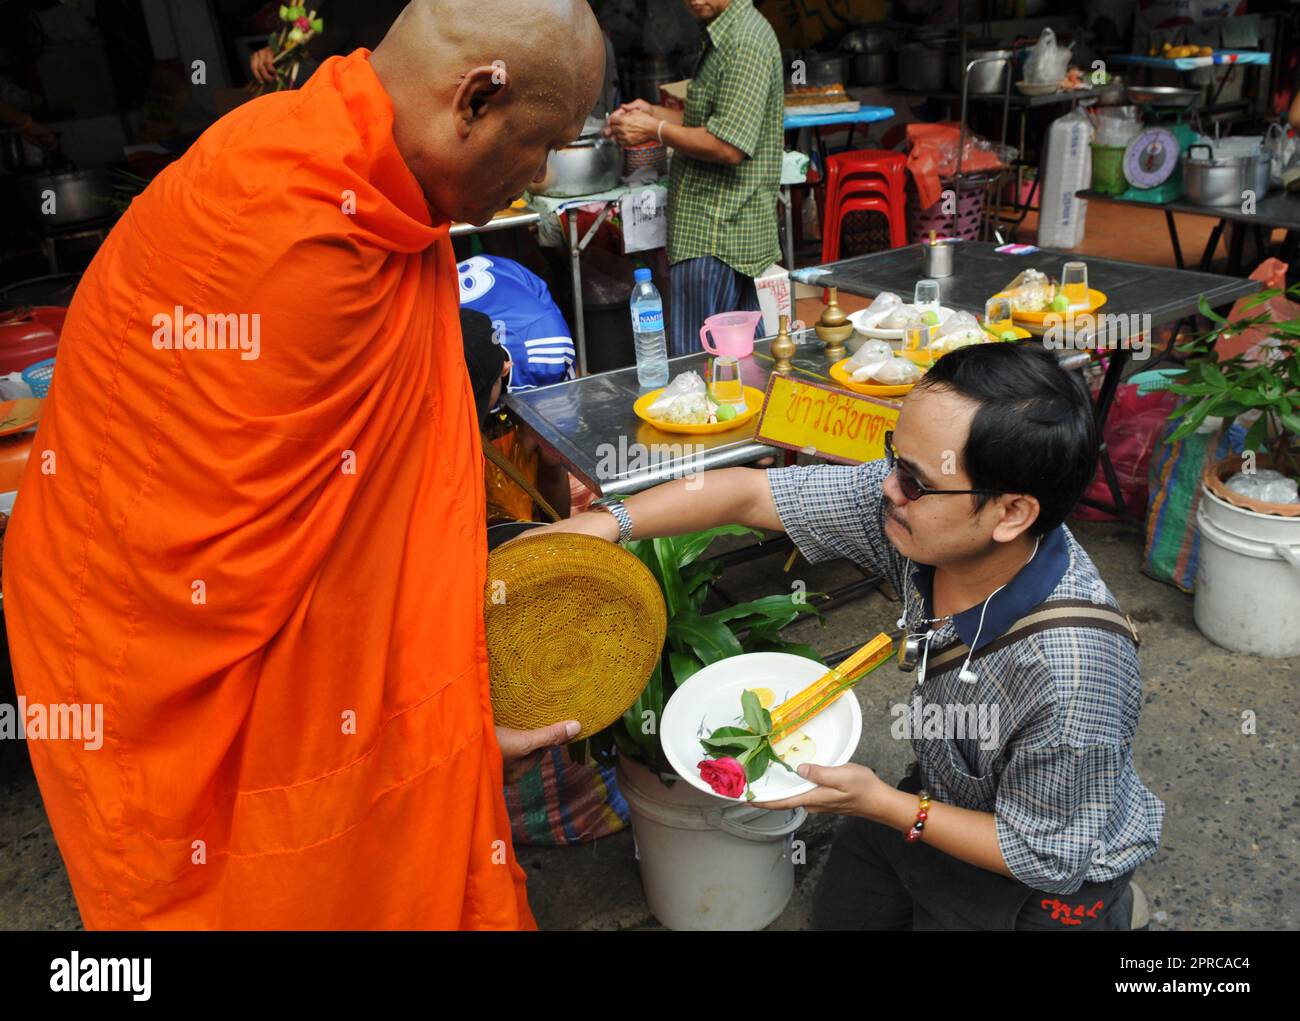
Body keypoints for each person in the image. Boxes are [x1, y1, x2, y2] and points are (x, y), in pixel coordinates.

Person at [3, 0, 605, 929]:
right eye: (544, 145)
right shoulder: (291, 226)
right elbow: (325, 590)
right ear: (477, 100)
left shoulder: (356, 171)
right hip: (159, 646)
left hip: (214, 609)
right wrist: (443, 733)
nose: (534, 181)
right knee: (288, 883)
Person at [535, 343, 1164, 930]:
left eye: (915, 481)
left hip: (1044, 872)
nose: (887, 486)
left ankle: (1112, 909)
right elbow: (751, 495)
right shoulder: (920, 515)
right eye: (894, 456)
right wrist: (608, 524)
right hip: (943, 788)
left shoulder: (1073, 676)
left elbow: (1046, 854)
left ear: (1011, 513)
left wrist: (883, 805)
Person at [605, 0, 782, 357]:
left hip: (717, 230)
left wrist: (655, 129)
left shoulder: (743, 40)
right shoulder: (724, 34)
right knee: (742, 358)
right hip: (724, 228)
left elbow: (729, 145)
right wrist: (652, 112)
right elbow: (713, 122)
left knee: (700, 364)